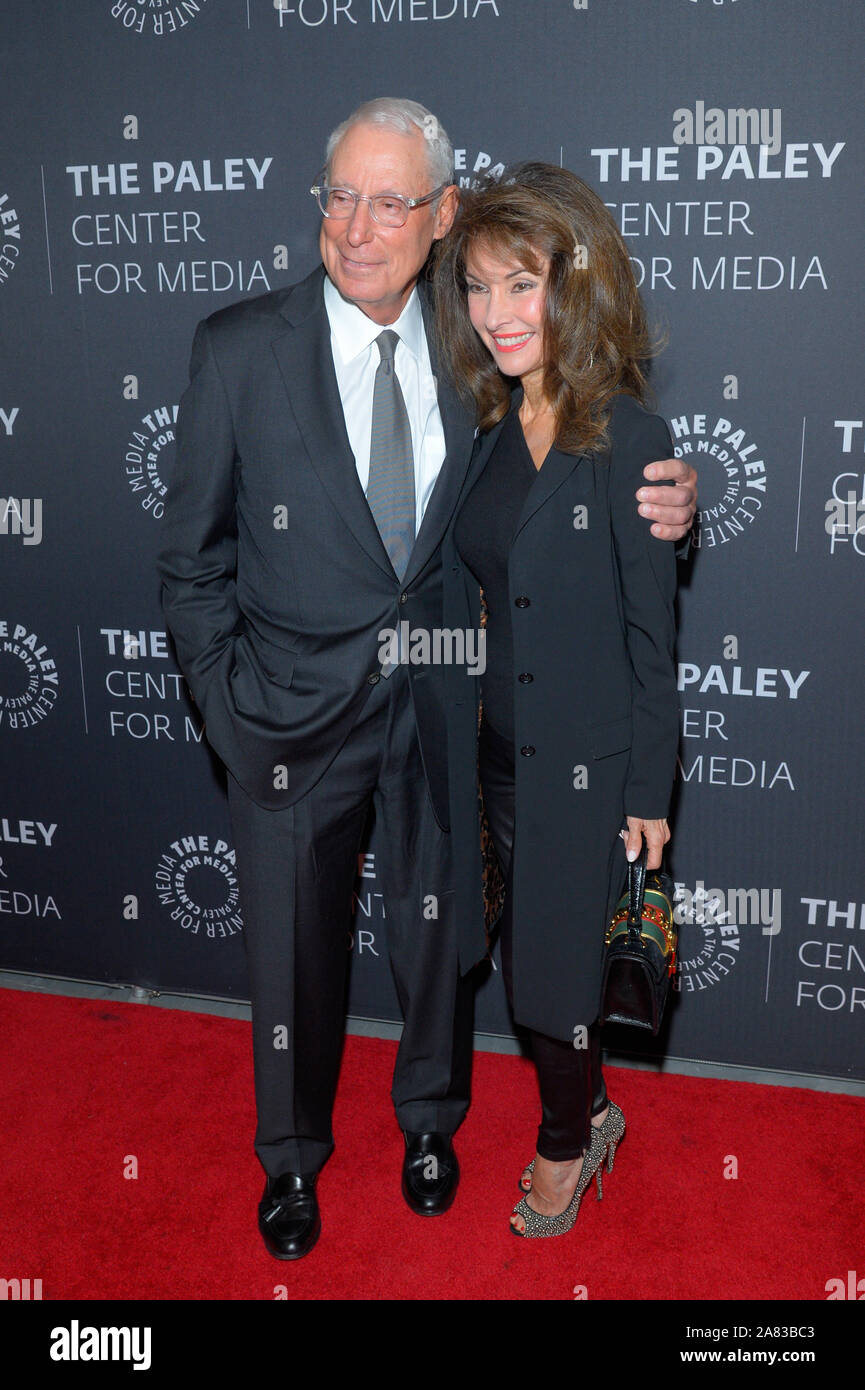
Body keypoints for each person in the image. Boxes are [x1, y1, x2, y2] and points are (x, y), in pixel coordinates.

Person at [157, 102, 696, 1261]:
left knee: (436, 939)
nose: (358, 228)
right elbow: (191, 560)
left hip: (444, 712)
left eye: (391, 201)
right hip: (285, 719)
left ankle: (430, 1122)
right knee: (288, 961)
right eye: (339, 196)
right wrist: (224, 707)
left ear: (441, 216)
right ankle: (291, 1157)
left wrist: (673, 502)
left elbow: (580, 465)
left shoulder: (474, 354)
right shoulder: (238, 348)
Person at [435, 162, 680, 1236]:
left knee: (554, 978)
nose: (495, 314)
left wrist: (646, 786)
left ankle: (565, 1143)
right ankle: (591, 1111)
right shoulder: (480, 427)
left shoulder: (627, 438)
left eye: (520, 284)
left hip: (587, 764)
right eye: (479, 288)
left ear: (573, 287)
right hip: (492, 750)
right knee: (516, 967)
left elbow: (651, 637)